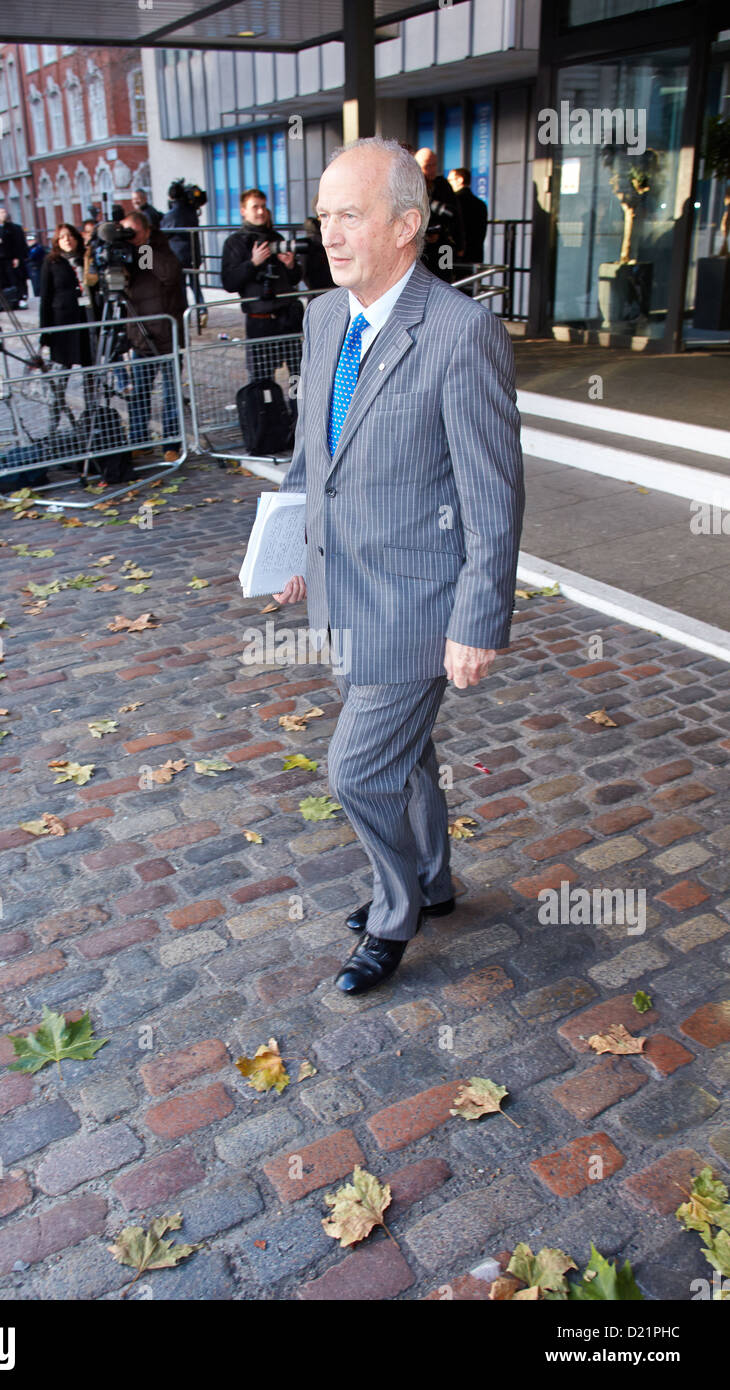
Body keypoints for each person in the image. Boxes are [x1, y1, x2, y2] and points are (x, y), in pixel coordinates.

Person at [273, 137, 524, 995]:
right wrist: (290, 544)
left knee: (358, 769)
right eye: (323, 215)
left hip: (419, 602)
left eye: (350, 215)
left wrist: (478, 620)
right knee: (406, 757)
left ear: (407, 226)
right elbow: (316, 451)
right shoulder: (322, 317)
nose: (329, 234)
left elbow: (493, 497)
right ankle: (437, 880)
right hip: (342, 589)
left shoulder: (461, 333)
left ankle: (395, 914)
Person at [220, 188, 303, 418]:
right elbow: (229, 281)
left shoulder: (276, 239)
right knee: (262, 377)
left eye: (263, 206)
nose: (261, 211)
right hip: (260, 321)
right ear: (243, 211)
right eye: (255, 206)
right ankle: (269, 422)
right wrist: (253, 263)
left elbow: (294, 279)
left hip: (288, 318)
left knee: (298, 375)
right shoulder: (235, 243)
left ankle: (299, 419)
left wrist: (290, 266)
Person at [120, 210, 186, 448]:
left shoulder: (156, 249)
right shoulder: (123, 253)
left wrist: (142, 248)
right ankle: (139, 442)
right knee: (139, 394)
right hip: (140, 335)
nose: (130, 237)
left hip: (166, 335)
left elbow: (167, 275)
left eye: (134, 232)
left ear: (146, 231)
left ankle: (171, 444)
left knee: (171, 396)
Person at [39, 223, 95, 432]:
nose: (67, 240)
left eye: (70, 236)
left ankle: (91, 421)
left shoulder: (86, 259)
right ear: (57, 241)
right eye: (62, 237)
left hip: (86, 322)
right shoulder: (51, 262)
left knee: (91, 375)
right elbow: (45, 298)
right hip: (63, 326)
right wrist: (46, 333)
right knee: (60, 379)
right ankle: (52, 426)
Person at [160, 179, 207, 331]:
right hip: (193, 255)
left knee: (181, 290)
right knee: (195, 286)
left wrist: (145, 261)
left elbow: (161, 237)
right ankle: (202, 310)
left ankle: (185, 317)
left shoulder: (171, 215)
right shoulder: (191, 211)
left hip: (178, 257)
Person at [414, 148, 464, 285]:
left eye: (434, 165)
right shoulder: (412, 186)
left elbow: (455, 215)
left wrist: (460, 245)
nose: (432, 169)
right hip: (419, 245)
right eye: (427, 165)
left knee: (445, 280)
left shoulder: (442, 185)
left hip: (443, 243)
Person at [448, 167, 489, 283]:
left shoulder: (454, 202)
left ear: (460, 179)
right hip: (475, 256)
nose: (448, 184)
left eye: (450, 180)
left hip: (455, 258)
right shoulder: (481, 204)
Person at [0, 206, 27, 306]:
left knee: (13, 277)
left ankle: (18, 297)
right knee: (0, 279)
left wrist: (16, 257)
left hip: (9, 257)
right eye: (1, 212)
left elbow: (16, 243)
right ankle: (1, 299)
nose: (3, 214)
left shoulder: (11, 227)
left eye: (4, 212)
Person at [25, 231, 47, 298]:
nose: (29, 242)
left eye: (31, 240)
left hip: (36, 267)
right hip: (31, 268)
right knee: (35, 284)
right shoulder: (28, 249)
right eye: (28, 240)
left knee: (38, 284)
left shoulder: (38, 248)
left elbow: (32, 256)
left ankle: (39, 296)